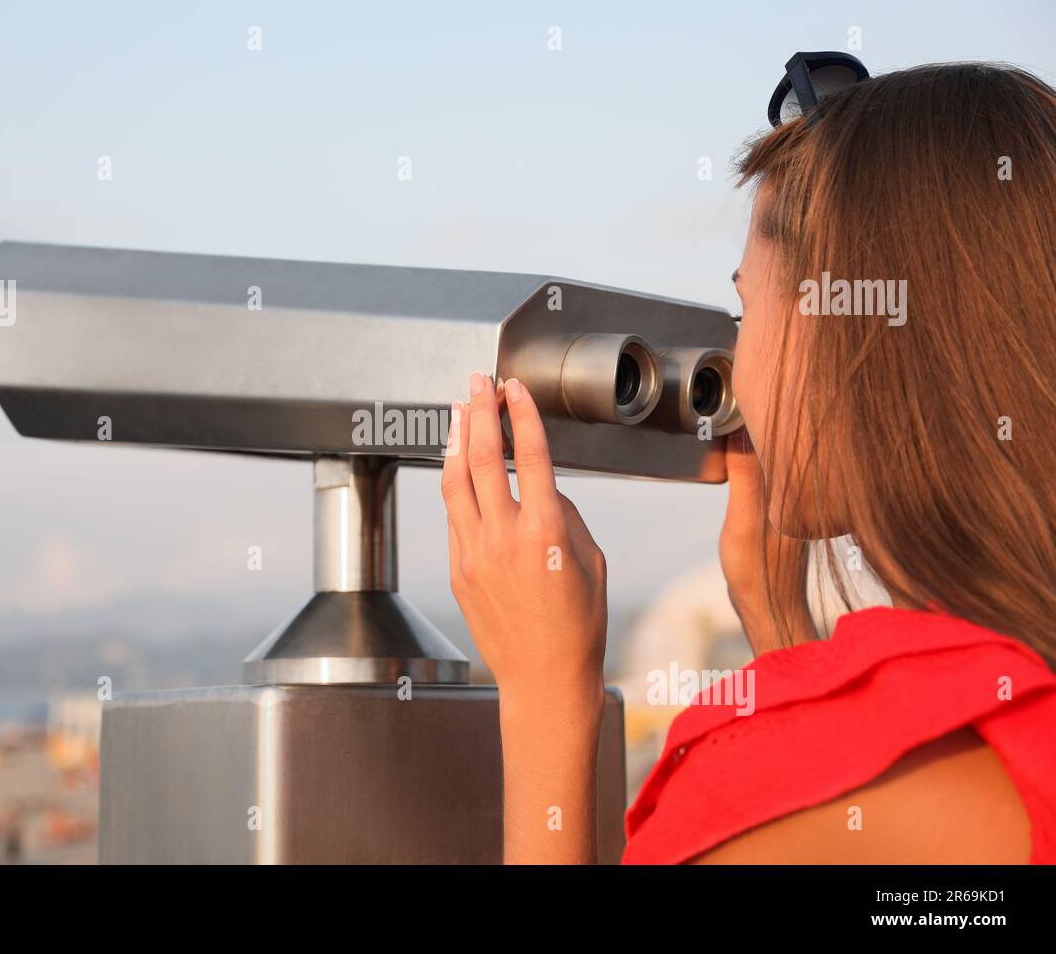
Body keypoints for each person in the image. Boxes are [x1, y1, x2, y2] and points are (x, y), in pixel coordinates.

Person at [441, 57, 1056, 864]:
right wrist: (783, 636)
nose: (741, 362)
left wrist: (545, 699)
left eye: (748, 309)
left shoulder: (757, 797)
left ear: (840, 330)